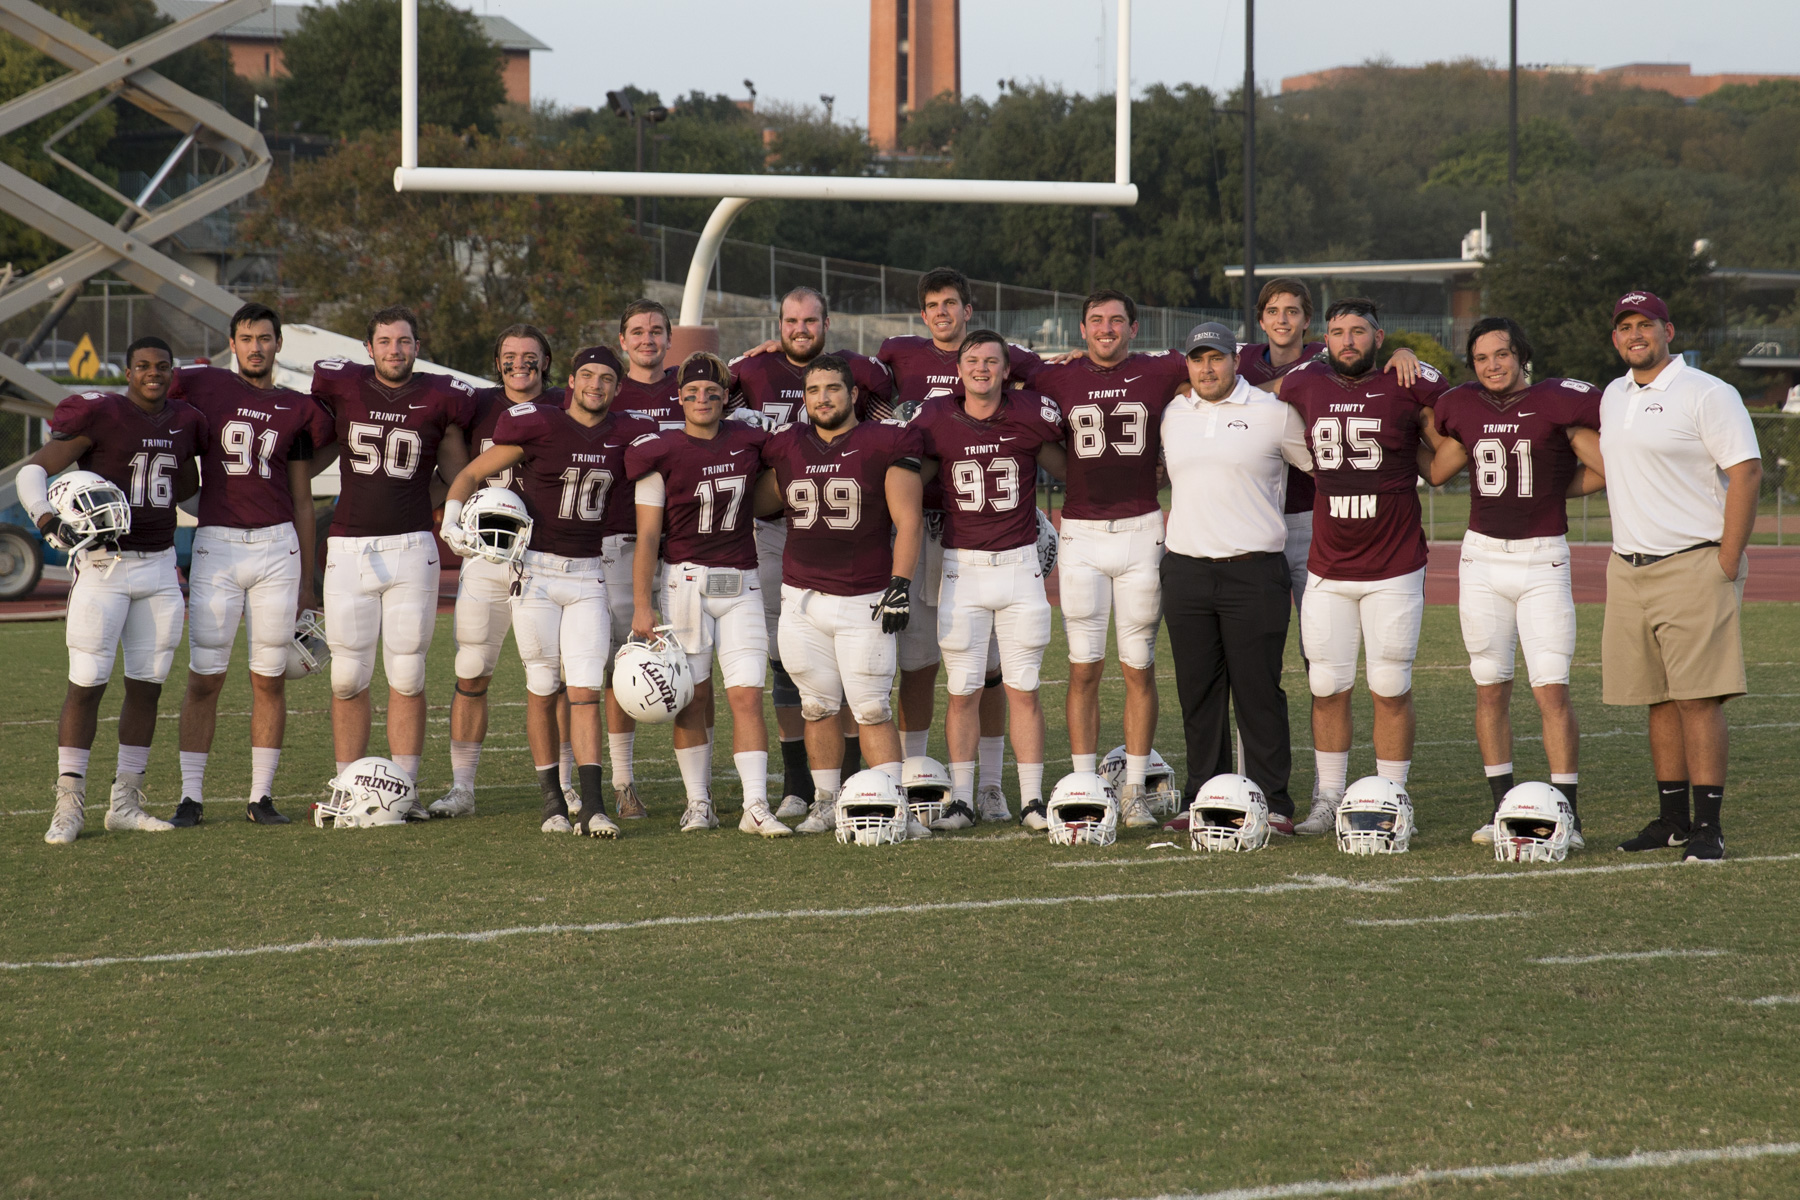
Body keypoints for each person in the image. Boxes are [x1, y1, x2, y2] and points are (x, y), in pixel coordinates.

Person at [443, 344, 654, 837]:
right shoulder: (540, 424)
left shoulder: (626, 433)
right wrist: (453, 515)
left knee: (584, 691)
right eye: (587, 376)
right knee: (542, 687)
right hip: (534, 571)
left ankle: (594, 805)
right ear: (572, 382)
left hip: (588, 574)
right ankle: (551, 801)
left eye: (606, 378)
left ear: (617, 388)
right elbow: (473, 473)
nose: (595, 385)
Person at [1266, 297, 1449, 834]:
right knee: (1328, 686)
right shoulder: (1306, 379)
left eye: (1358, 332)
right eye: (1338, 332)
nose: (1347, 340)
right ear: (1326, 338)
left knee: (1389, 687)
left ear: (1378, 335)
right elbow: (1243, 395)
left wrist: (1413, 357)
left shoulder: (1408, 379)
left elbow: (1454, 434)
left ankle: (1392, 796)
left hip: (1393, 564)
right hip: (1328, 564)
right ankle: (1329, 796)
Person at [1426, 316, 1606, 844]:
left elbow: (1609, 466)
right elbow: (1437, 470)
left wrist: (1555, 489)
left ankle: (1567, 814)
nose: (1492, 366)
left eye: (1500, 355)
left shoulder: (1558, 400)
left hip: (1541, 559)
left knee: (1551, 690)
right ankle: (1501, 808)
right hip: (1481, 559)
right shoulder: (1461, 404)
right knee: (1490, 688)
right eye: (1481, 358)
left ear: (1521, 355)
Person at [23, 338, 208, 843]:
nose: (153, 374)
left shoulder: (188, 420)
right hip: (104, 565)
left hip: (160, 565)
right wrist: (46, 519)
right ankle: (68, 803)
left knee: (147, 686)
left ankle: (124, 801)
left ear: (172, 372)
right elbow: (33, 470)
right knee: (87, 682)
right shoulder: (102, 413)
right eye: (143, 367)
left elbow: (187, 484)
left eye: (162, 367)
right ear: (127, 372)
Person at [1599, 291, 1761, 862]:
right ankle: (1671, 819)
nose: (1635, 334)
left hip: (1694, 560)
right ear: (1615, 338)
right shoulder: (1614, 395)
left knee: (1698, 700)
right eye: (1625, 326)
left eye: (1645, 324)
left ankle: (1708, 826)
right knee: (1658, 701)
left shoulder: (1707, 392)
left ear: (1668, 330)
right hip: (1629, 567)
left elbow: (1745, 472)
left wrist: (1727, 557)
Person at [877, 266, 1038, 815]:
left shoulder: (998, 354)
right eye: (933, 305)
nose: (943, 313)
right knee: (919, 661)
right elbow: (852, 382)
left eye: (952, 303)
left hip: (994, 530)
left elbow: (1060, 380)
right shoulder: (897, 355)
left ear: (969, 310)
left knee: (992, 669)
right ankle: (913, 776)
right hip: (928, 529)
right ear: (922, 315)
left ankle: (989, 783)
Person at [1024, 289, 1187, 827]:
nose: (1106, 329)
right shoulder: (1056, 375)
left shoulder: (1160, 369)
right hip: (1083, 535)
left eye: (1117, 320)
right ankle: (1087, 782)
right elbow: (995, 366)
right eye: (1096, 320)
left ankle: (1135, 788)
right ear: (1082, 329)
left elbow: (1232, 362)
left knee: (1138, 667)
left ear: (1135, 328)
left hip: (1142, 528)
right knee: (1083, 668)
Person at [730, 287, 894, 819]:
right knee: (793, 666)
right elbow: (715, 421)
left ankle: (863, 786)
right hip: (783, 529)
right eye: (791, 320)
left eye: (810, 320)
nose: (801, 328)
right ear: (778, 323)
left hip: (853, 533)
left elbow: (895, 428)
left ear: (828, 323)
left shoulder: (862, 374)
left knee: (862, 686)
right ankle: (804, 782)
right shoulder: (749, 372)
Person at [167, 303, 333, 826]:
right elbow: (149, 398)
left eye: (264, 337)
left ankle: (261, 796)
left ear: (278, 343)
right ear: (232, 343)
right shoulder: (203, 384)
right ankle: (190, 796)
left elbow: (304, 500)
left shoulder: (298, 406)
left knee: (270, 678)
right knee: (204, 678)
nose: (256, 346)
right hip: (216, 542)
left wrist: (308, 580)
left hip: (276, 547)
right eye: (246, 337)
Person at [755, 353, 925, 832]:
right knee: (817, 707)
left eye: (832, 388)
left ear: (853, 395)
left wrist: (900, 585)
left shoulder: (883, 441)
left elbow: (908, 520)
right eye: (813, 390)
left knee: (871, 708)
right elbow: (760, 500)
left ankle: (895, 806)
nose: (822, 398)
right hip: (802, 598)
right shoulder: (787, 445)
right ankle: (826, 803)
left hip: (863, 597)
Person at [626, 352, 792, 836]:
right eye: (693, 392)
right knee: (693, 698)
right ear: (679, 398)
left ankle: (755, 805)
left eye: (713, 392)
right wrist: (642, 604)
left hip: (741, 580)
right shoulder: (660, 450)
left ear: (725, 399)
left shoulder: (748, 438)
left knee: (746, 696)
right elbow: (649, 537)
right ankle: (698, 802)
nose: (703, 399)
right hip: (685, 584)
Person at [311, 306, 474, 787]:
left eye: (404, 342)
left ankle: (403, 789)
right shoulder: (342, 384)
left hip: (409, 546)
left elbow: (457, 474)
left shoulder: (439, 396)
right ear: (368, 348)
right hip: (346, 544)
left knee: (407, 675)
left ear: (417, 348)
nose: (395, 350)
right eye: (385, 341)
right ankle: (346, 783)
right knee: (346, 677)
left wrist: (412, 503)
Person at [1159, 323, 1313, 834]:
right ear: (1187, 364)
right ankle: (1204, 796)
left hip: (1254, 570)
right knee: (1197, 692)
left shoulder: (1274, 414)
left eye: (1217, 358)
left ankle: (1274, 802)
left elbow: (1322, 467)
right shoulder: (1175, 413)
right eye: (1198, 359)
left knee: (1258, 692)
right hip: (1185, 570)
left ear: (1235, 360)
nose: (1207, 368)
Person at [910, 330, 1066, 830]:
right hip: (962, 568)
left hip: (1020, 566)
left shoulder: (1027, 414)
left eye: (991, 361)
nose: (981, 369)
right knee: (963, 690)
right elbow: (907, 475)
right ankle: (960, 799)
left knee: (1023, 688)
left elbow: (1070, 467)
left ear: (1005, 369)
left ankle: (1031, 800)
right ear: (959, 369)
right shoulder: (936, 418)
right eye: (972, 360)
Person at [430, 324, 569, 819]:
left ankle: (567, 785)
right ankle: (462, 788)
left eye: (530, 355)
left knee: (556, 678)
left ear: (547, 360)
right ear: (496, 362)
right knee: (471, 670)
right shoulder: (477, 405)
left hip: (547, 558)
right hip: (489, 557)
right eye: (509, 355)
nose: (519, 363)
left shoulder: (568, 402)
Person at [602, 299, 686, 819]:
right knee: (620, 664)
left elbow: (743, 376)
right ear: (622, 340)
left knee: (688, 664)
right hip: (620, 540)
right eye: (637, 332)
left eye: (656, 331)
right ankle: (622, 783)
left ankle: (695, 790)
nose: (647, 339)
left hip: (684, 545)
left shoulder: (692, 386)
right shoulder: (603, 386)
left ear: (669, 338)